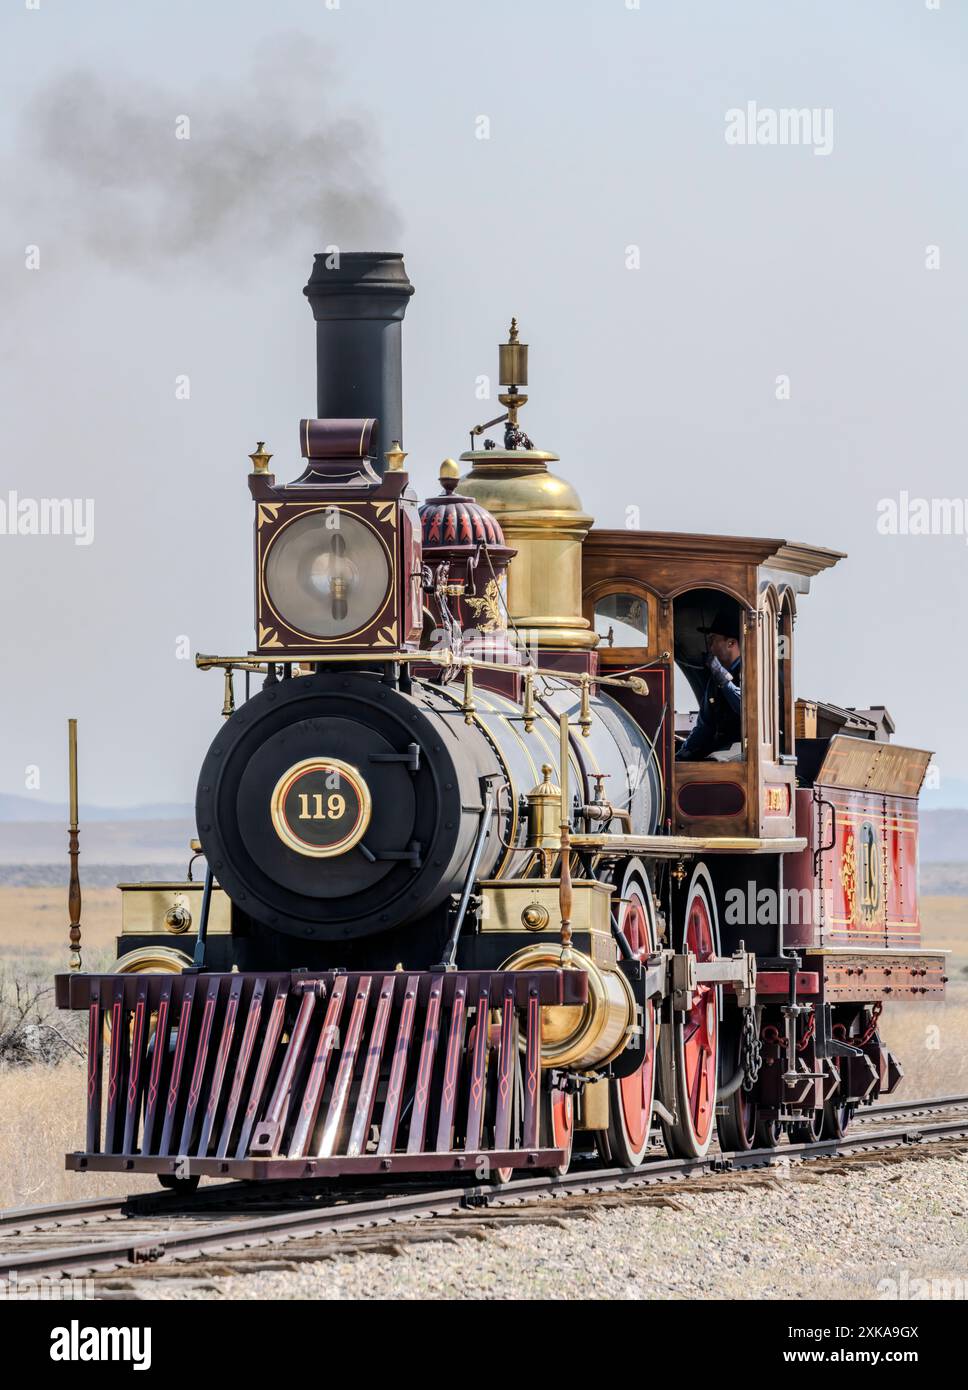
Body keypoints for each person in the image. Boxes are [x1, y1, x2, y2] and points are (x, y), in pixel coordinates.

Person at [676, 608, 743, 761]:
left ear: (731, 643)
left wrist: (721, 676)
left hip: (743, 748)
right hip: (720, 747)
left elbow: (746, 708)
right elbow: (704, 726)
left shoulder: (751, 672)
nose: (709, 647)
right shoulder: (713, 682)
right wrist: (683, 754)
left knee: (712, 761)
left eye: (712, 640)